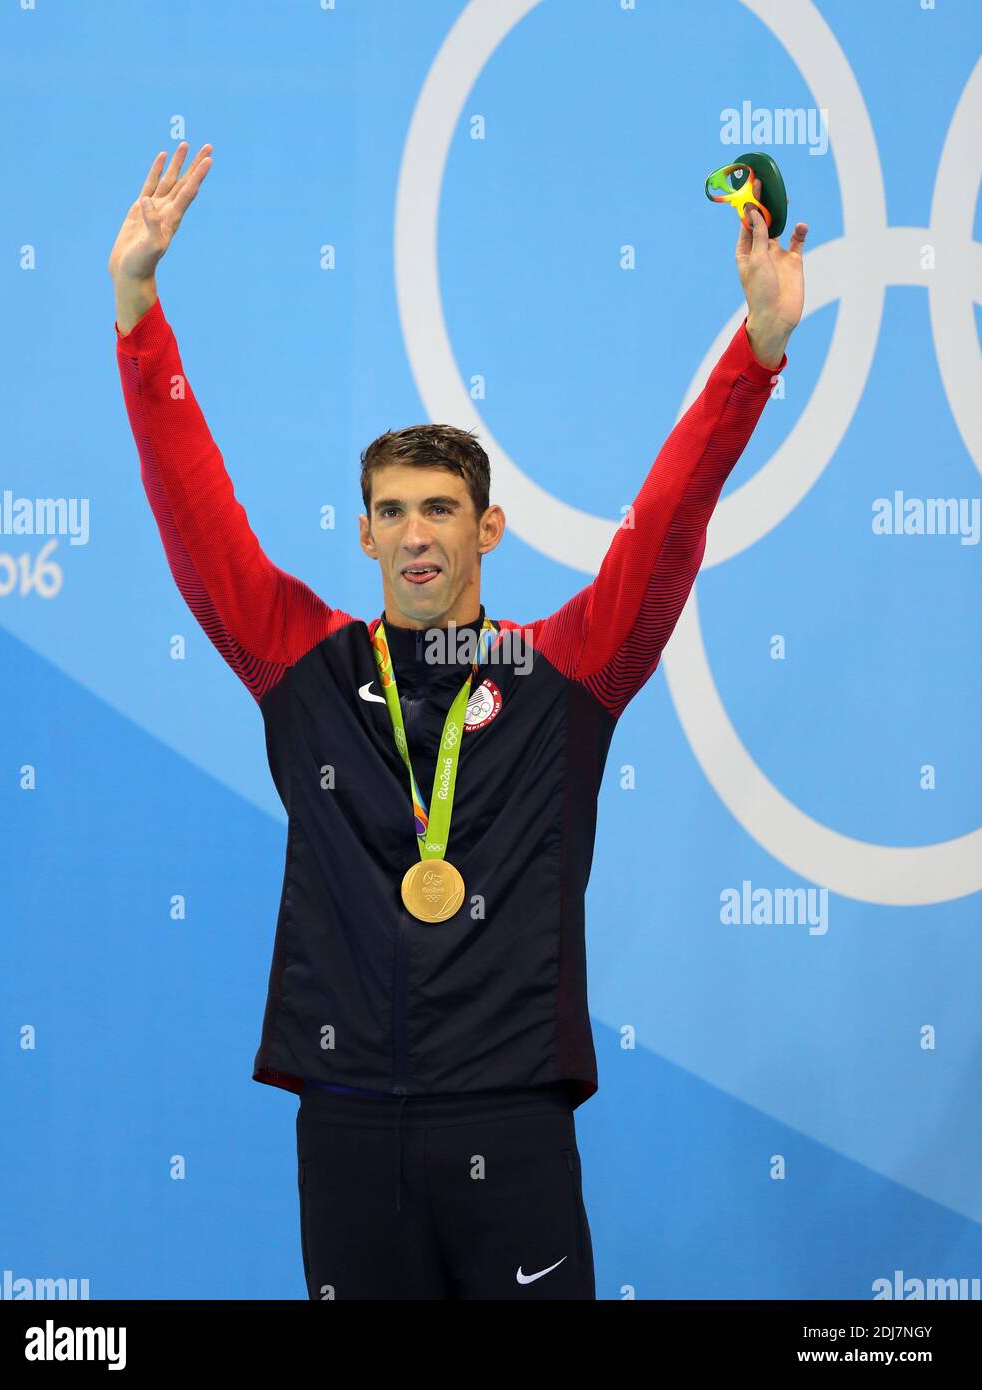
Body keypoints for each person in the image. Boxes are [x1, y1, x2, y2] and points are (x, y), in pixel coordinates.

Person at [109, 141, 807, 1301]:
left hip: (510, 1117)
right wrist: (138, 314)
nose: (417, 531)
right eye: (393, 512)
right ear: (365, 535)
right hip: (345, 1123)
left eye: (441, 509)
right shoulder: (305, 664)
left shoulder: (564, 673)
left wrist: (756, 354)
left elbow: (666, 524)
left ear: (488, 532)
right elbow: (198, 525)